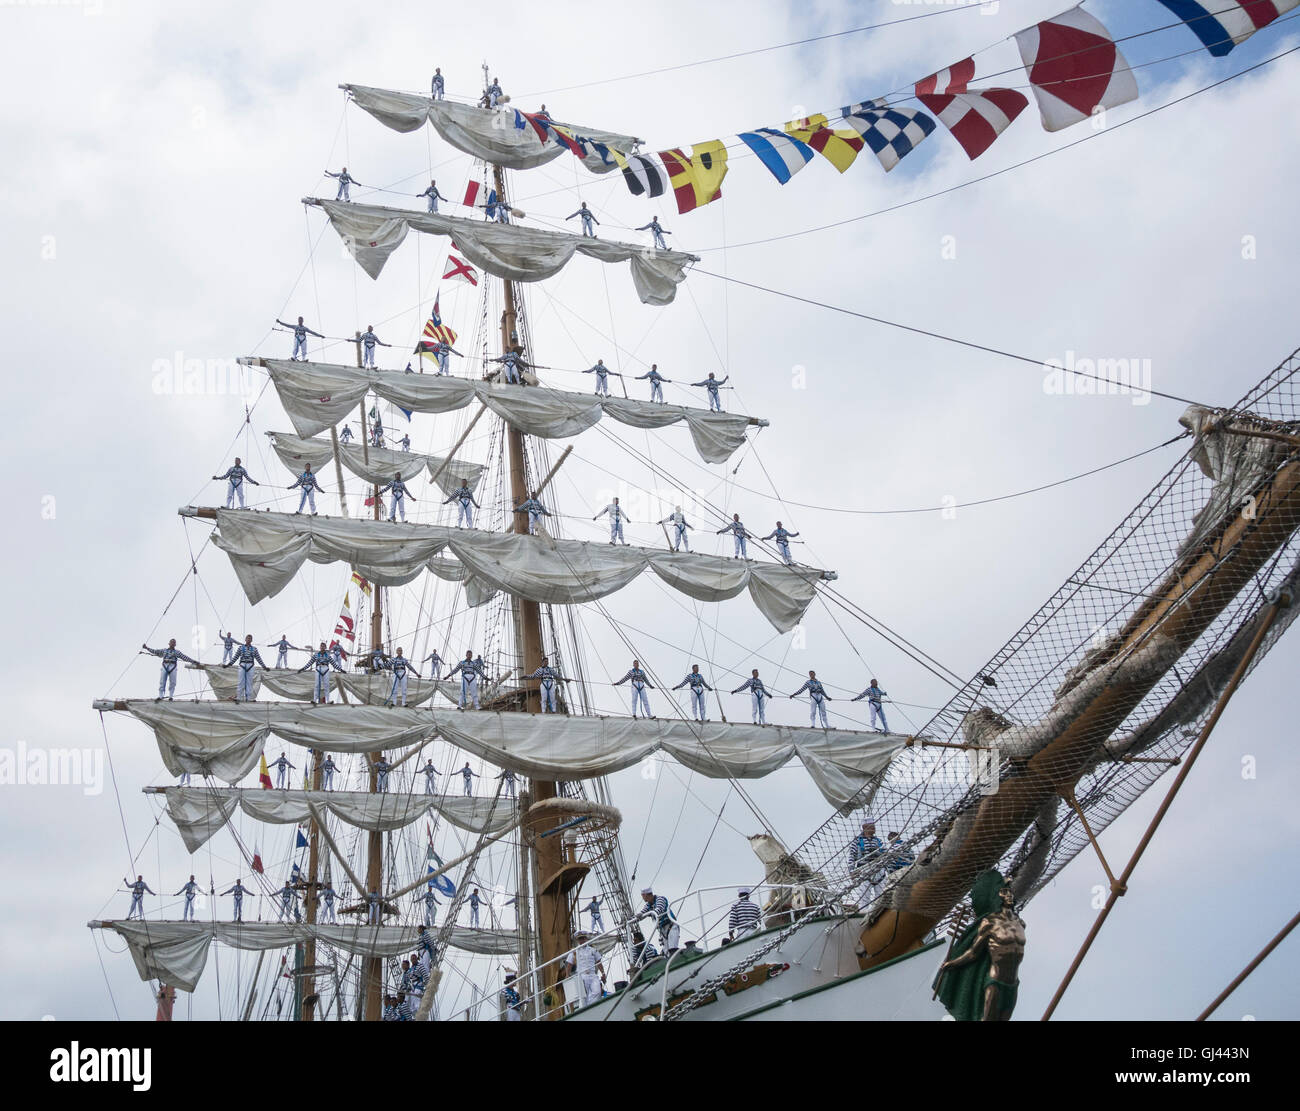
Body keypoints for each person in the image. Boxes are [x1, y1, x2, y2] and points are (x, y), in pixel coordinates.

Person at [566, 931, 606, 1007]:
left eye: (583, 938)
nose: (582, 940)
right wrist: (567, 975)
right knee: (584, 996)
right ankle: (587, 1008)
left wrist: (603, 973)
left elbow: (598, 962)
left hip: (593, 975)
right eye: (580, 939)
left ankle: (589, 1007)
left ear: (586, 939)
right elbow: (569, 964)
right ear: (577, 940)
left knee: (597, 992)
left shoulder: (592, 950)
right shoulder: (574, 951)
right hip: (582, 976)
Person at [223, 635, 268, 701]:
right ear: (245, 639)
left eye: (250, 639)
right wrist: (229, 665)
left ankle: (249, 698)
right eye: (248, 638)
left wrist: (264, 667)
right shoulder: (240, 648)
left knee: (249, 682)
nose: (249, 639)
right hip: (242, 665)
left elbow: (258, 658)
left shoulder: (254, 649)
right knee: (241, 682)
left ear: (251, 640)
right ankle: (239, 697)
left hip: (251, 665)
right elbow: (235, 657)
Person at [299, 641, 344, 705]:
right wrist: (303, 668)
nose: (322, 647)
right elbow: (310, 662)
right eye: (321, 646)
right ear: (320, 647)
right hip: (318, 669)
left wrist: (341, 670)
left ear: (325, 647)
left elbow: (334, 664)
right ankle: (315, 700)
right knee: (317, 685)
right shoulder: (316, 655)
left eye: (323, 646)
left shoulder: (328, 655)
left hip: (326, 669)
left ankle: (328, 700)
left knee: (326, 685)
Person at [638, 886, 679, 954]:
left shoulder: (660, 899)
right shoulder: (648, 905)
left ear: (645, 895)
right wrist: (635, 917)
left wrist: (652, 912)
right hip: (662, 930)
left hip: (671, 926)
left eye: (642, 895)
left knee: (672, 948)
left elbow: (659, 909)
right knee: (666, 952)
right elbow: (642, 913)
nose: (642, 897)